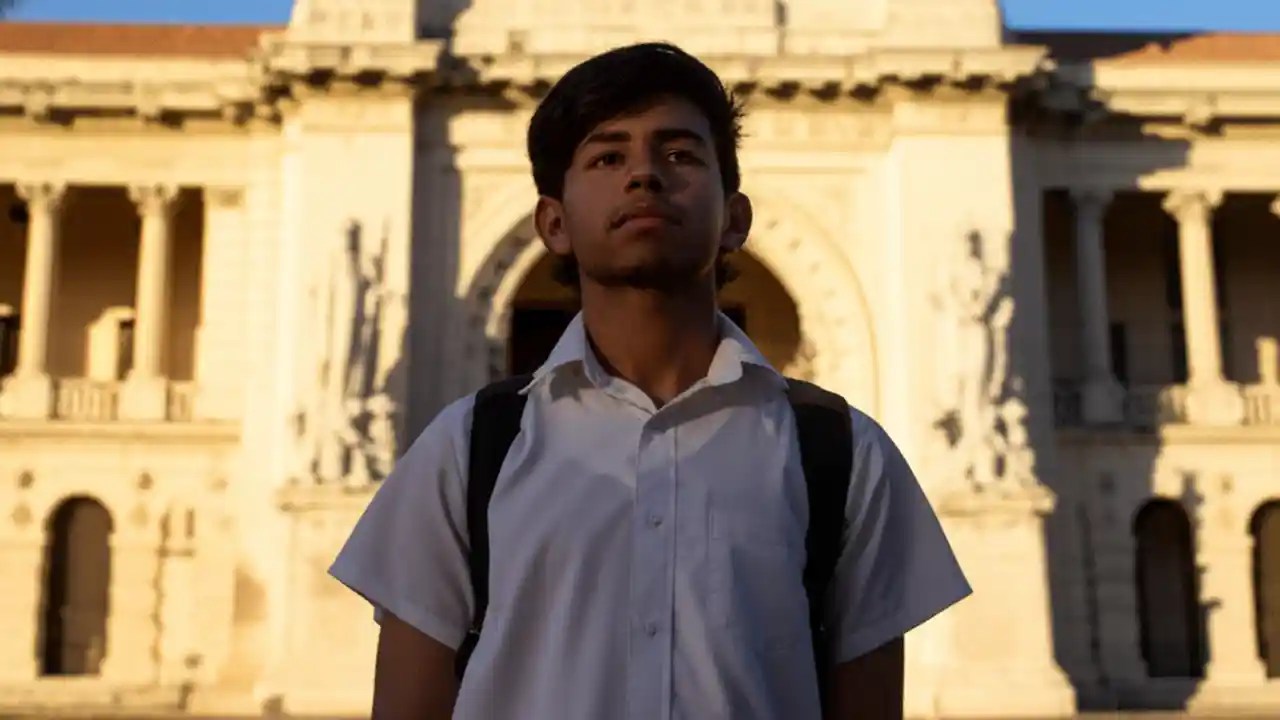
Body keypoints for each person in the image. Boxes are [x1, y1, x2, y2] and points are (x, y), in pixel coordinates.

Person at [329, 42, 972, 720]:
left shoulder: (845, 455)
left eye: (680, 154)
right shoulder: (465, 449)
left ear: (735, 219)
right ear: (553, 222)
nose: (644, 175)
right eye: (608, 157)